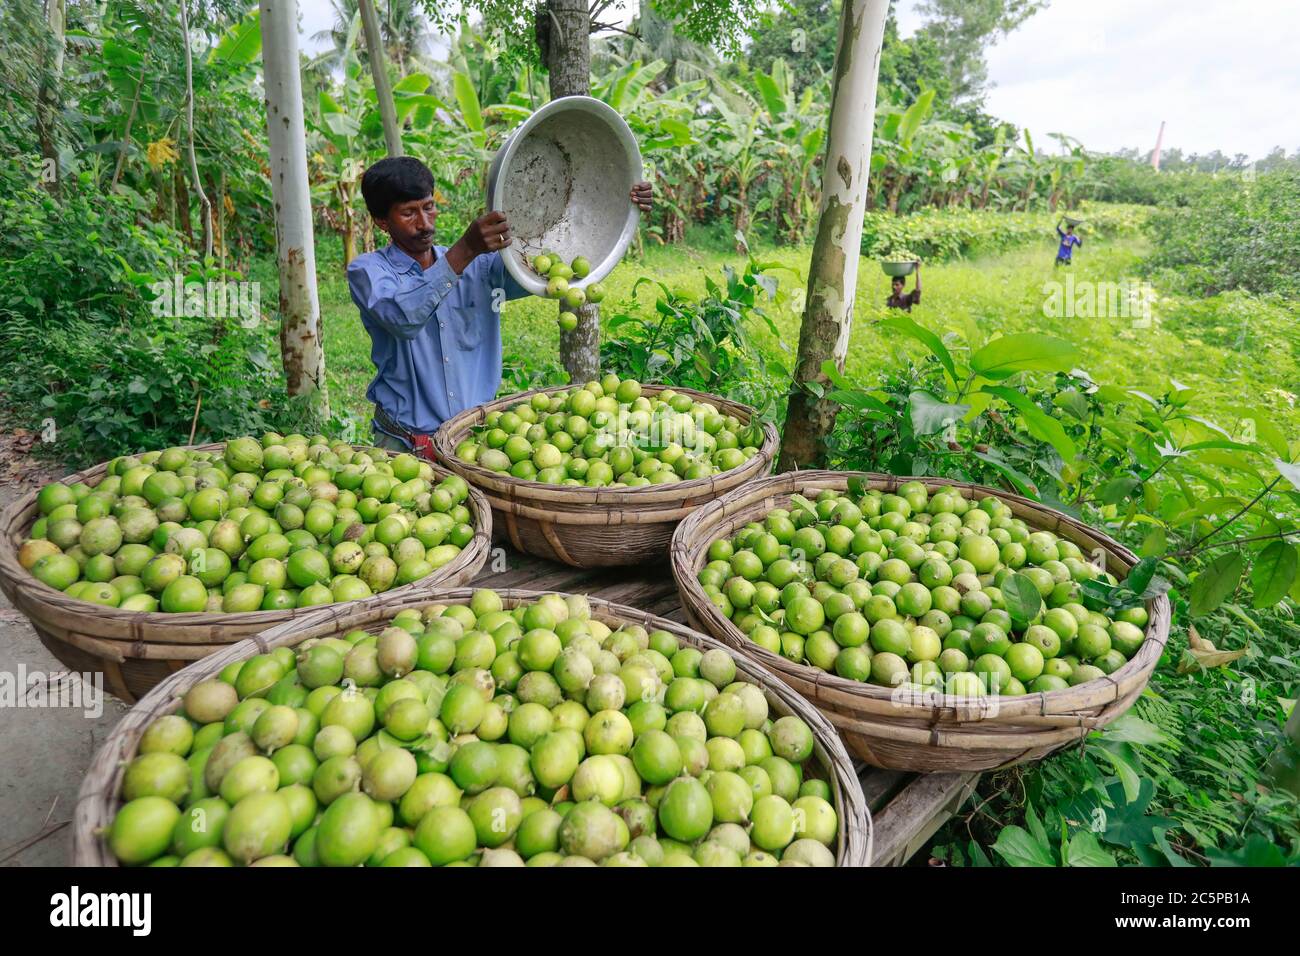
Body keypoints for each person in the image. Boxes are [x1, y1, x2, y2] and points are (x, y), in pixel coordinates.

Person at [347, 156, 653, 458]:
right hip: (404, 447)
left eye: (428, 207)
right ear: (382, 221)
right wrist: (465, 249)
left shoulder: (480, 269)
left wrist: (619, 209)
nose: (425, 223)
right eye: (409, 213)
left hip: (473, 441)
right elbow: (404, 317)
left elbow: (561, 265)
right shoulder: (369, 273)